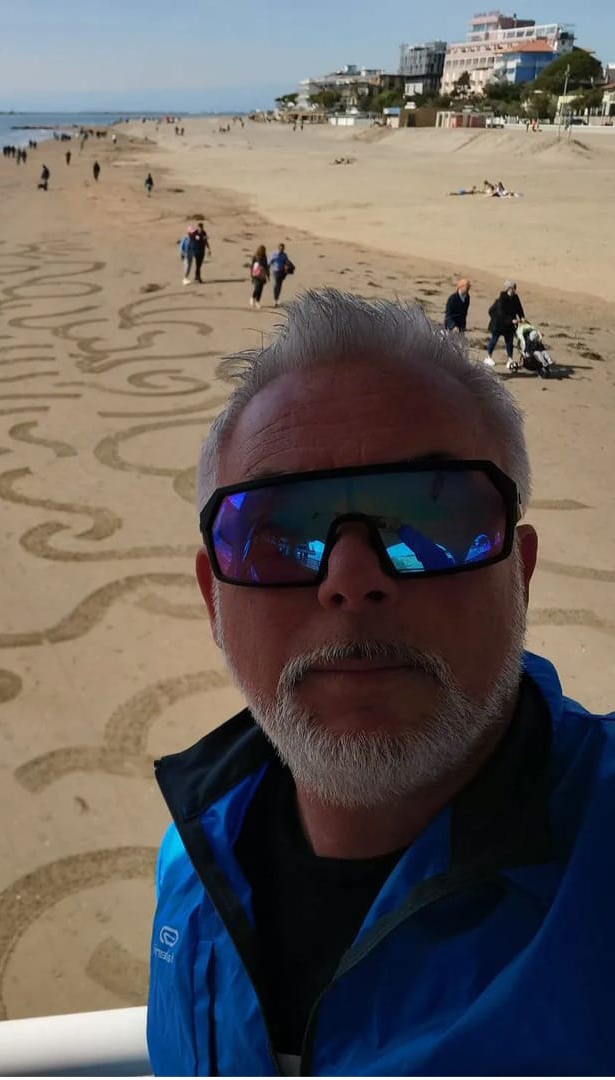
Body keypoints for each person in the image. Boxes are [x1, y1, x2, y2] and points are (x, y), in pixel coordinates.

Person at [147, 289, 614, 1076]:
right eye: (282, 538)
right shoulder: (192, 860)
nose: (351, 580)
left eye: (428, 526)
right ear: (213, 600)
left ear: (521, 574)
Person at [485, 279, 525, 367]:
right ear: (509, 289)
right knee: (494, 340)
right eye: (514, 288)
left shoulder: (515, 297)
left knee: (509, 342)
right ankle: (488, 357)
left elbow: (519, 308)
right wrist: (511, 320)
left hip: (509, 326)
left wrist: (522, 317)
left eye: (515, 287)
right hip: (498, 324)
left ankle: (510, 359)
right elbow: (500, 313)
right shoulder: (502, 298)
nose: (515, 289)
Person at [249, 244, 269, 309]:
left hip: (262, 275)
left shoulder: (264, 257)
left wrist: (268, 275)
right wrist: (251, 275)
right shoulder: (255, 256)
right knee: (257, 288)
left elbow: (266, 266)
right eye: (262, 250)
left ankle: (257, 302)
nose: (263, 251)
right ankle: (252, 298)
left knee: (260, 289)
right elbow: (252, 266)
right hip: (256, 275)